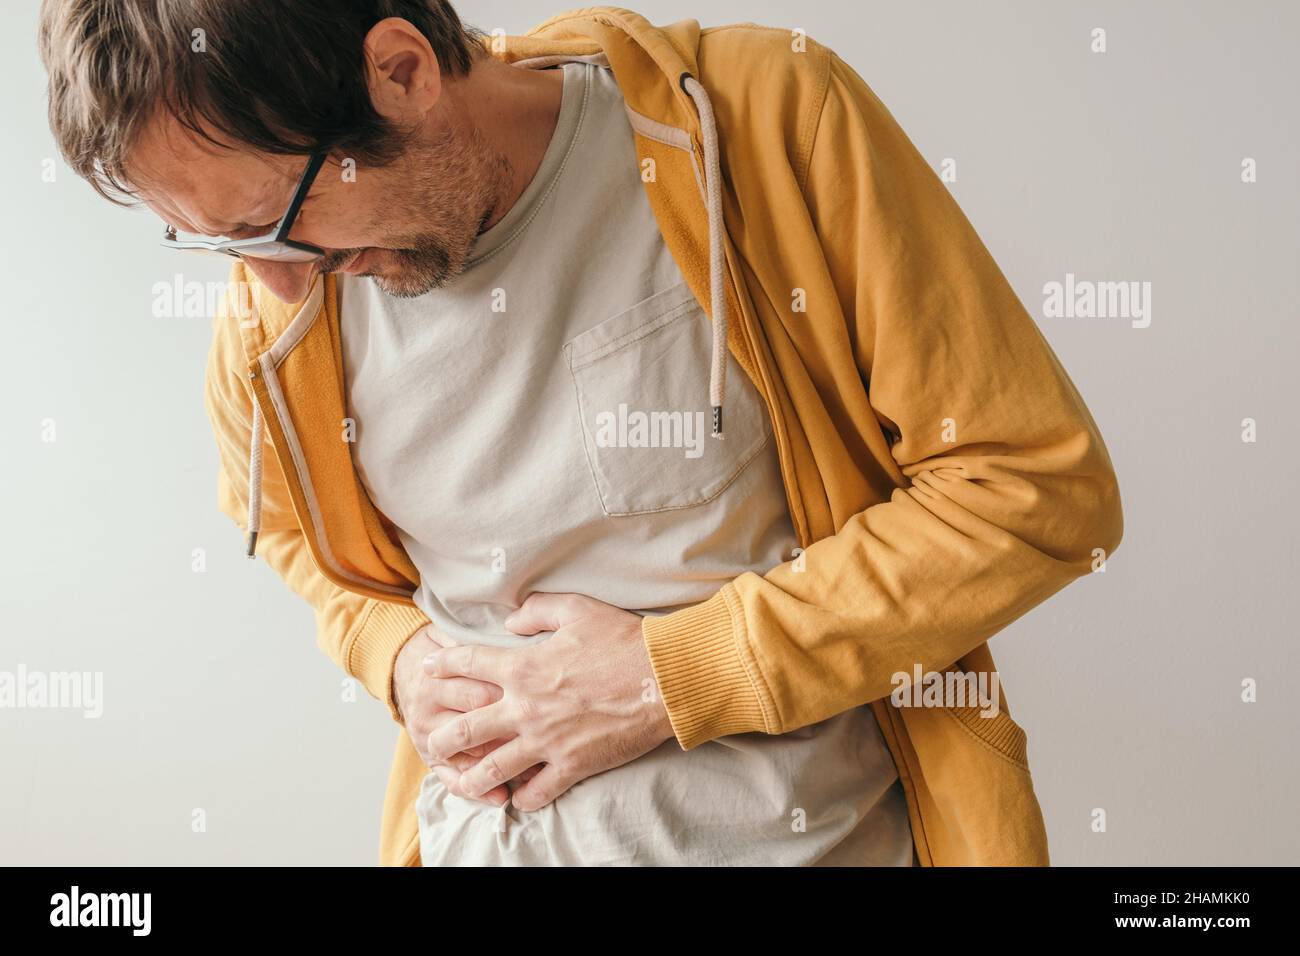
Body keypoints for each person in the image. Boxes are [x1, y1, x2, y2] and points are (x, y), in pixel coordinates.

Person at [39, 0, 1123, 866]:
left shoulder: (765, 121)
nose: (270, 280)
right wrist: (397, 653)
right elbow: (284, 535)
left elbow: (1030, 489)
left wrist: (673, 673)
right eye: (216, 242)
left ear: (402, 70)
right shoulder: (278, 310)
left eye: (277, 219)